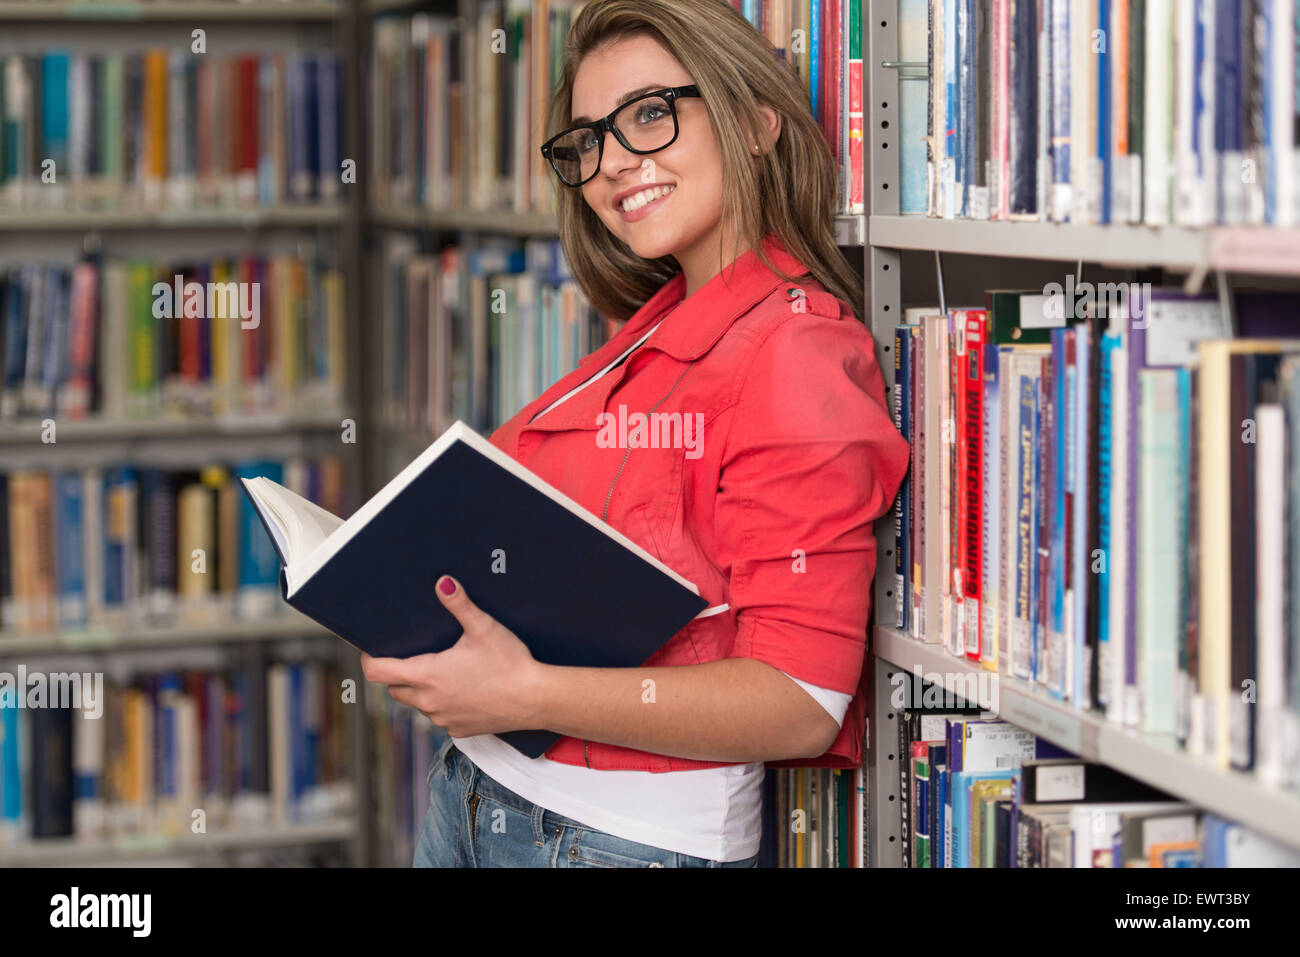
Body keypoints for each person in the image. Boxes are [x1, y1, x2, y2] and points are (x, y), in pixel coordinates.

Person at [360, 0, 909, 868]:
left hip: (610, 840)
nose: (614, 162)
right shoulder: (655, 325)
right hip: (473, 795)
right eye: (588, 140)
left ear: (755, 122)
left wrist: (526, 691)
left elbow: (800, 698)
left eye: (650, 114)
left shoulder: (796, 346)